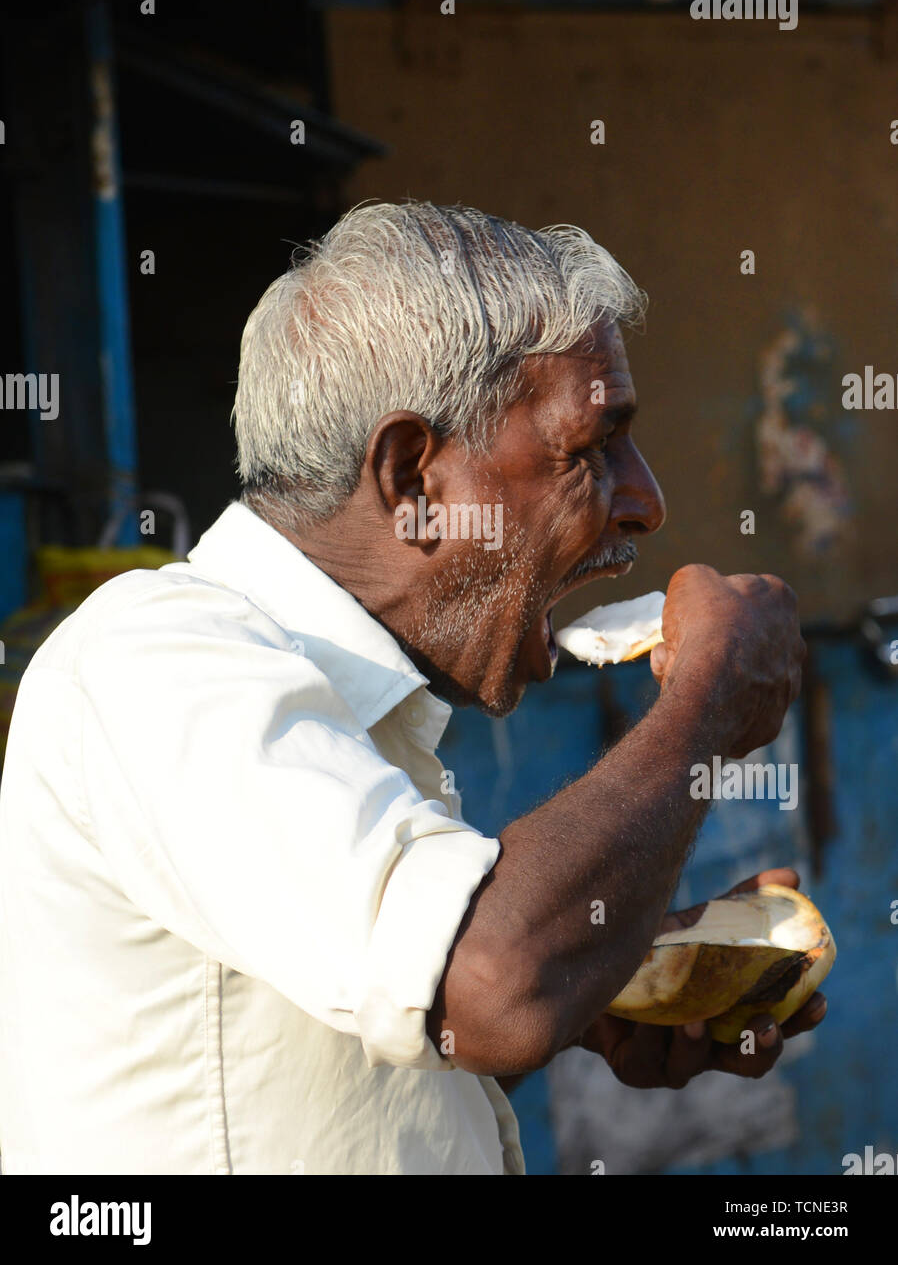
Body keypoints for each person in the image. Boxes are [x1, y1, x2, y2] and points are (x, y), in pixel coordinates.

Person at [0, 201, 819, 1175]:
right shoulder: (160, 663)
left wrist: (590, 979)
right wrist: (706, 709)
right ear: (412, 477)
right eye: (592, 448)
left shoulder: (359, 720)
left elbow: (345, 1092)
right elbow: (488, 978)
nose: (644, 502)